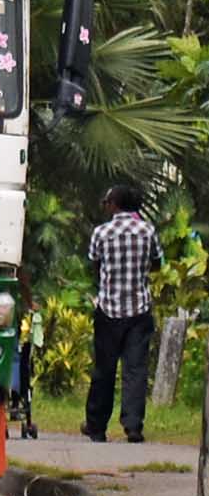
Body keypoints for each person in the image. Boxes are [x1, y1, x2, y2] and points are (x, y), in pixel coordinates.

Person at [84, 183, 162, 444]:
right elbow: (157, 263)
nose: (105, 206)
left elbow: (95, 265)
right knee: (136, 369)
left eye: (106, 202)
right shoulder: (147, 230)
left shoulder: (102, 233)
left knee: (104, 369)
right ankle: (133, 426)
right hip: (139, 310)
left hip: (108, 309)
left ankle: (96, 427)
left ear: (114, 204)